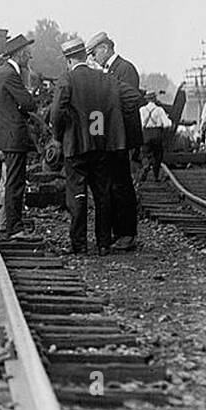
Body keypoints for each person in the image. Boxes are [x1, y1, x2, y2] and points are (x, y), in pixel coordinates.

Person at [50, 39, 120, 255]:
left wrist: (57, 137)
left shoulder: (67, 79)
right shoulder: (102, 78)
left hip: (75, 146)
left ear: (69, 59)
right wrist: (98, 134)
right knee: (102, 195)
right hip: (99, 143)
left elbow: (57, 113)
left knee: (77, 195)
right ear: (84, 55)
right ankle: (103, 243)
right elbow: (107, 109)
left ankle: (79, 244)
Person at [87, 31, 143, 251]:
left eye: (94, 53)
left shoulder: (125, 69)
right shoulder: (109, 71)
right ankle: (115, 232)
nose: (93, 58)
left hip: (122, 138)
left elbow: (129, 103)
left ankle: (127, 234)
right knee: (110, 185)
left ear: (105, 48)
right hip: (110, 138)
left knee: (122, 185)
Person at [0, 34, 36, 239]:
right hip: (14, 137)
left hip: (6, 136)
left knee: (11, 182)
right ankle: (14, 228)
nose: (30, 57)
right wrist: (29, 94)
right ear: (20, 54)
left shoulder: (1, 72)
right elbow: (28, 103)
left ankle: (9, 225)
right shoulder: (10, 74)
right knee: (15, 183)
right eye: (28, 53)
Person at [138, 92, 173, 182]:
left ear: (146, 99)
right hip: (157, 134)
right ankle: (156, 176)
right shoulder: (159, 110)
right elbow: (167, 124)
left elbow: (140, 124)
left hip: (146, 134)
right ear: (154, 99)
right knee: (158, 155)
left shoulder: (142, 110)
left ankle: (146, 165)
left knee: (145, 153)